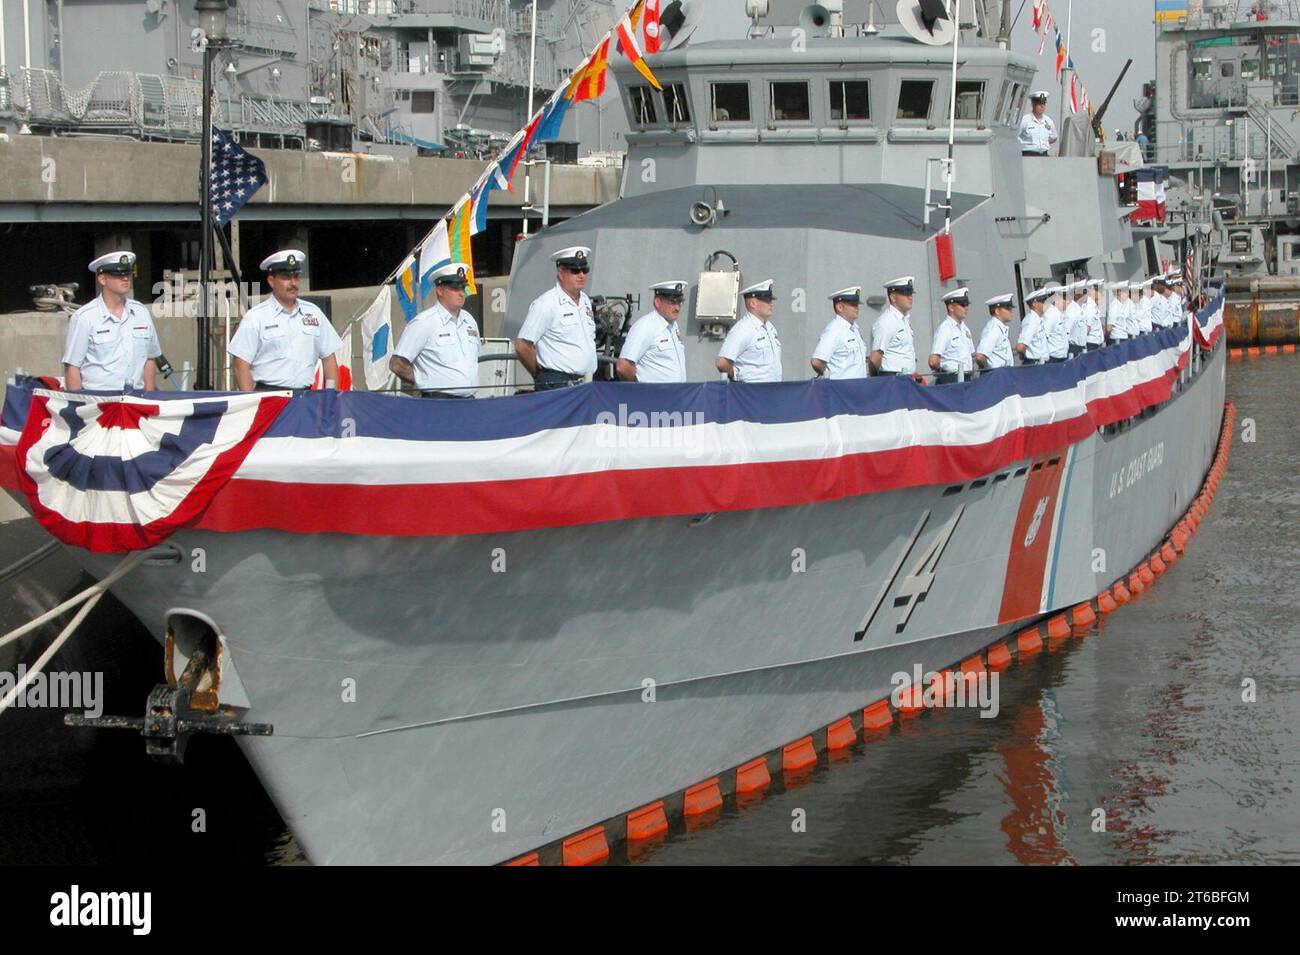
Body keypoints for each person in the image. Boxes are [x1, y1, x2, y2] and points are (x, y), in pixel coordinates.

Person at [230, 249, 340, 391]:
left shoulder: (314, 313)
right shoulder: (255, 317)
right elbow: (240, 365)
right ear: (271, 281)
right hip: (269, 398)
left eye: (296, 277)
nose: (293, 283)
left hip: (305, 398)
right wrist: (252, 404)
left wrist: (329, 397)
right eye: (286, 277)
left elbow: (329, 359)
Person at [62, 250, 161, 391]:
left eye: (127, 273)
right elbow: (72, 366)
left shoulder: (141, 312)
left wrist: (149, 399)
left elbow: (150, 358)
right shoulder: (85, 317)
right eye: (118, 275)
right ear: (102, 279)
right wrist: (78, 406)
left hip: (136, 400)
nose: (125, 278)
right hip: (100, 403)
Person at [389, 262, 481, 398]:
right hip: (438, 401)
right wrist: (423, 380)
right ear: (440, 290)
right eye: (455, 288)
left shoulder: (469, 321)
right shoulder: (424, 322)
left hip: (470, 401)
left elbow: (473, 359)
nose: (461, 293)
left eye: (463, 287)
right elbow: (397, 364)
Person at [515, 246, 597, 391]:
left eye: (585, 270)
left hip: (586, 383)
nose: (581, 275)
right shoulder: (546, 304)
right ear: (560, 273)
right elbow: (522, 346)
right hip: (557, 383)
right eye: (575, 271)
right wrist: (540, 375)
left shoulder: (585, 300)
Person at [616, 280, 688, 383]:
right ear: (657, 302)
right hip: (653, 396)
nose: (677, 307)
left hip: (677, 396)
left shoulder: (673, 326)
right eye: (672, 302)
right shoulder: (646, 326)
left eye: (679, 302)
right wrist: (639, 389)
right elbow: (623, 366)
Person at [716, 279, 782, 382]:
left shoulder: (770, 328)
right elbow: (722, 362)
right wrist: (737, 376)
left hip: (773, 391)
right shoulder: (743, 329)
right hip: (751, 393)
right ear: (752, 303)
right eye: (767, 300)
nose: (771, 304)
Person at [810, 286, 868, 380]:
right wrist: (830, 376)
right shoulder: (834, 330)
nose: (856, 308)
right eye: (852, 304)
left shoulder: (854, 329)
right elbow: (816, 361)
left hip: (858, 388)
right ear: (839, 307)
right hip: (841, 389)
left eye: (857, 304)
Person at [870, 276, 921, 379]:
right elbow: (875, 358)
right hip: (892, 378)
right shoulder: (887, 321)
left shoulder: (904, 319)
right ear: (893, 297)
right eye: (905, 294)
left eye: (910, 294)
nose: (910, 297)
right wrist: (879, 381)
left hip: (908, 377)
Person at [929, 287, 975, 384]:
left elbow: (971, 355)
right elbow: (933, 361)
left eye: (967, 304)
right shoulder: (945, 329)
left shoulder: (965, 328)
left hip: (967, 377)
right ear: (951, 307)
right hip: (951, 378)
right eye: (962, 304)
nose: (966, 307)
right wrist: (942, 372)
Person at [975, 293, 1016, 371]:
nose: (1011, 311)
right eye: (1007, 308)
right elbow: (980, 357)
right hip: (996, 373)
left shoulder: (1000, 328)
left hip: (1004, 372)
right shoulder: (993, 329)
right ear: (997, 311)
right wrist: (987, 370)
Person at [1018, 91, 1057, 157]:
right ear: (1033, 104)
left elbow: (1054, 137)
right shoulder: (1024, 120)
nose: (1042, 106)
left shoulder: (1049, 121)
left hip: (1044, 155)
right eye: (1039, 104)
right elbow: (1014, 137)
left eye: (1044, 104)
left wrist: (1043, 144)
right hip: (1028, 156)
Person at [1017, 288, 1050, 365]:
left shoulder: (1038, 319)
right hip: (1035, 363)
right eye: (1043, 301)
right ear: (1034, 304)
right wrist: (1024, 356)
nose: (1046, 304)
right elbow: (1020, 347)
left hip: (1041, 362)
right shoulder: (1031, 320)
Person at [1042, 283, 1069, 362]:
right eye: (1064, 298)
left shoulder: (1060, 314)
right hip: (1053, 359)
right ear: (1056, 298)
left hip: (1062, 357)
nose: (1067, 301)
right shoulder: (1050, 315)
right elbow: (1044, 337)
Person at [1063, 282, 1088, 358]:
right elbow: (1065, 332)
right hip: (1073, 349)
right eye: (1084, 292)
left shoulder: (1081, 309)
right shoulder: (1071, 310)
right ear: (1077, 294)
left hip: (1081, 348)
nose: (1087, 295)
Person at [1085, 279, 1106, 351]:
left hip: (1096, 344)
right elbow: (1087, 329)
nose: (1101, 293)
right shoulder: (1089, 307)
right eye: (1099, 290)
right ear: (1091, 290)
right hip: (1091, 345)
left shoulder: (1094, 306)